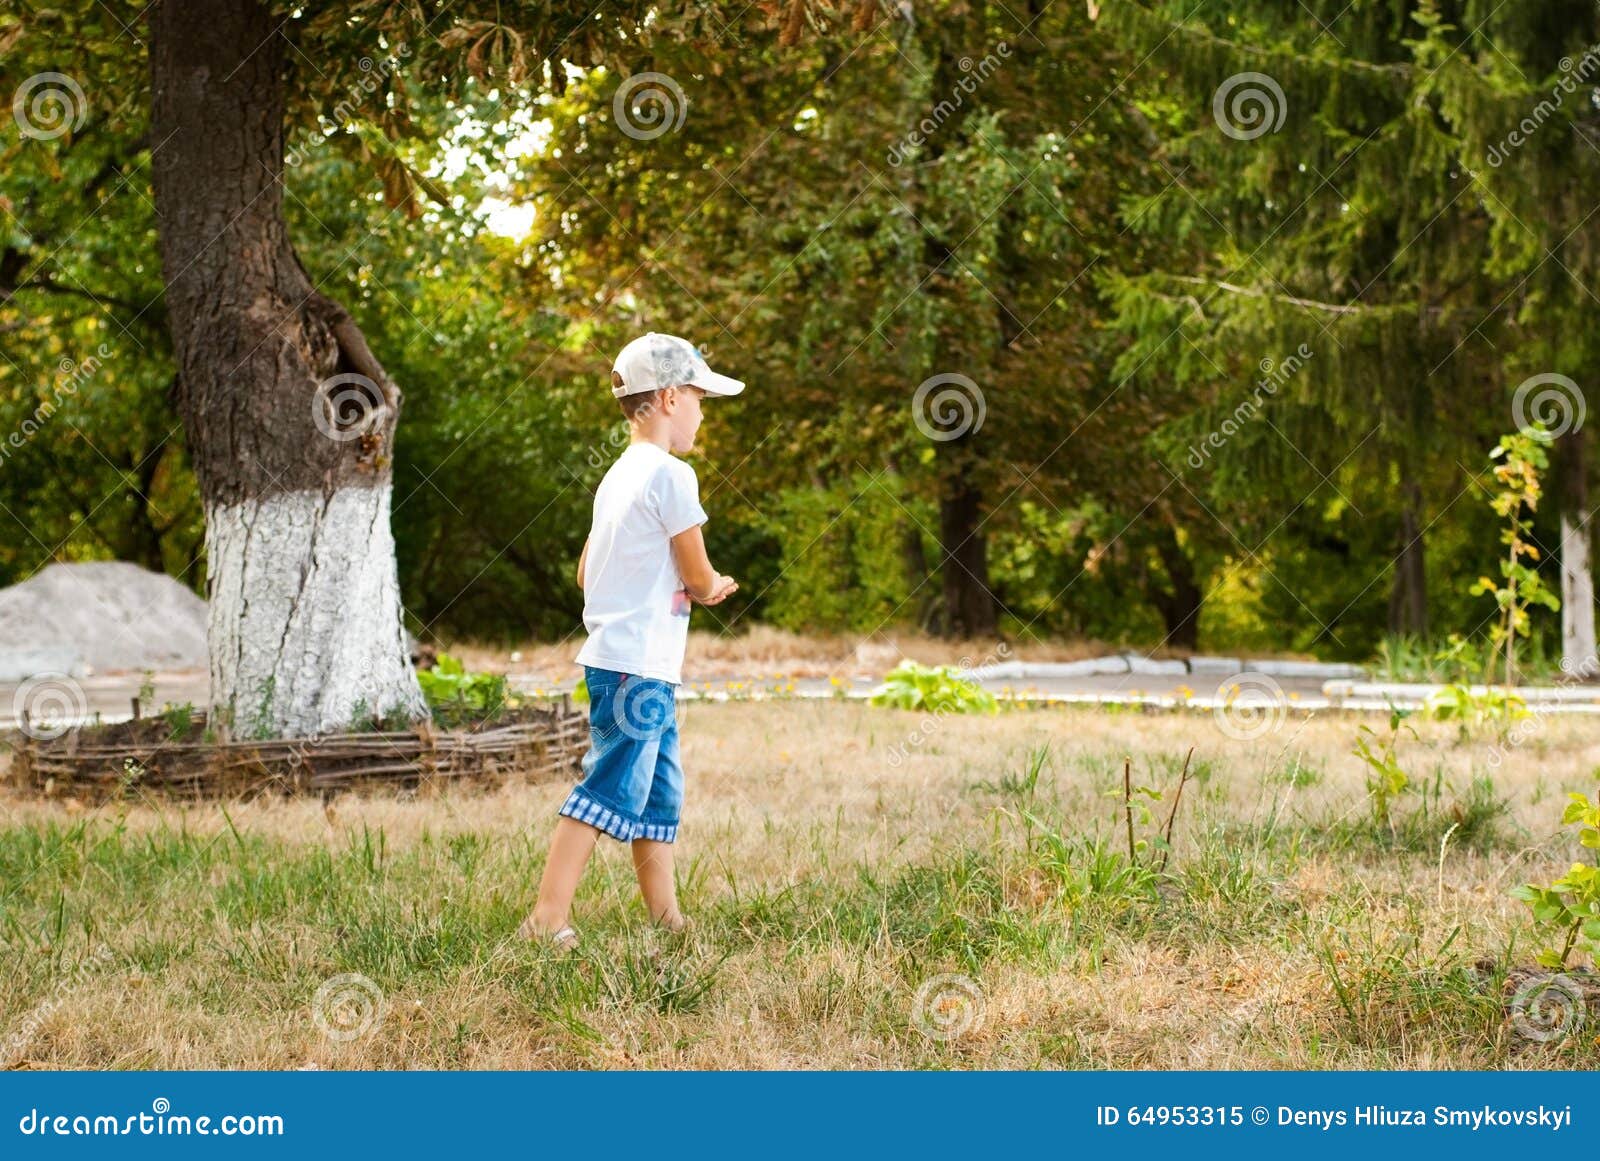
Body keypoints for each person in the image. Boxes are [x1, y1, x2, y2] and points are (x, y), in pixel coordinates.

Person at [520, 332, 743, 950]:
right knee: (609, 786)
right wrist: (712, 584)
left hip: (627, 663)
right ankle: (546, 917)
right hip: (638, 668)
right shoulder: (674, 476)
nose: (703, 409)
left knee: (656, 790)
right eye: (699, 396)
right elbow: (696, 577)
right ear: (669, 398)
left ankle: (666, 917)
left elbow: (586, 574)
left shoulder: (615, 477)